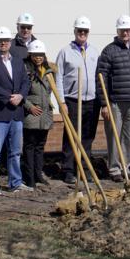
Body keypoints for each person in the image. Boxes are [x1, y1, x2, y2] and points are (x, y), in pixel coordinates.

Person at [0, 26, 31, 194]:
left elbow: (26, 81)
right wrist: (10, 97)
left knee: (16, 151)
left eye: (5, 40)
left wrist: (21, 96)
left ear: (10, 42)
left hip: (16, 114)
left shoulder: (18, 61)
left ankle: (15, 182)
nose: (3, 43)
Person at [96, 15, 130, 181]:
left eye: (128, 30)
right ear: (117, 30)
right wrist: (104, 103)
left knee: (128, 136)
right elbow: (101, 78)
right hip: (115, 102)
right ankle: (115, 169)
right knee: (114, 135)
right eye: (123, 30)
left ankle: (126, 166)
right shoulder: (109, 50)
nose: (125, 32)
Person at [54, 16, 100, 184]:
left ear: (88, 32)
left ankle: (85, 168)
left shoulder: (94, 51)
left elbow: (97, 77)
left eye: (85, 31)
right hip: (72, 100)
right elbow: (58, 77)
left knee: (88, 136)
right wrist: (62, 102)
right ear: (74, 31)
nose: (82, 33)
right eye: (79, 30)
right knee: (71, 137)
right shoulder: (65, 52)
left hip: (91, 100)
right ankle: (68, 170)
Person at [21, 40, 56, 188]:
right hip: (32, 115)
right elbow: (20, 92)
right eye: (35, 55)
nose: (38, 58)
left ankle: (38, 175)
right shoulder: (25, 71)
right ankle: (29, 178)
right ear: (30, 55)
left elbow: (49, 92)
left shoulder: (48, 71)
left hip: (44, 115)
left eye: (40, 54)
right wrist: (29, 107)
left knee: (40, 147)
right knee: (29, 146)